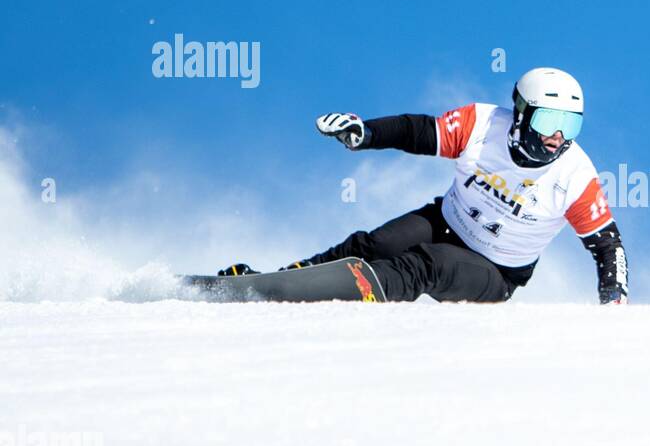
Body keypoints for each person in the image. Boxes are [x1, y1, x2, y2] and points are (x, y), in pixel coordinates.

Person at [220, 68, 628, 304]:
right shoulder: (482, 124)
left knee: (425, 263)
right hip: (445, 221)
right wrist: (365, 133)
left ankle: (360, 291)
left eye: (569, 124)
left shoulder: (574, 176)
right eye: (547, 122)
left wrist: (615, 300)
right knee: (371, 245)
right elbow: (417, 131)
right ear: (521, 116)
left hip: (496, 272)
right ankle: (276, 281)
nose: (557, 137)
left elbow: (607, 246)